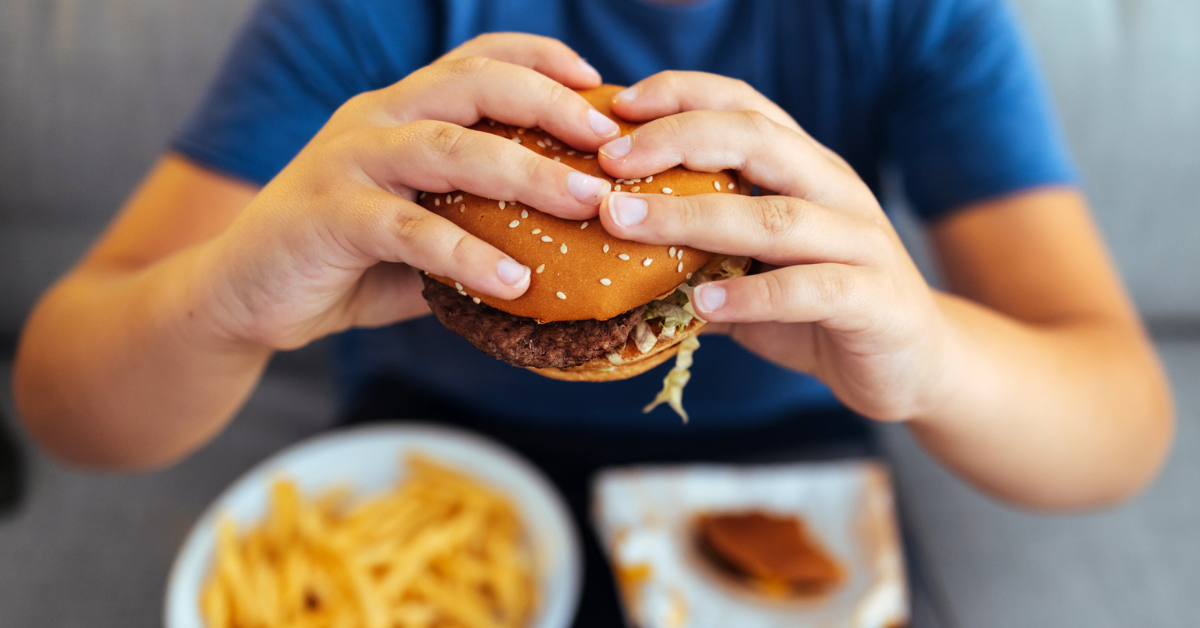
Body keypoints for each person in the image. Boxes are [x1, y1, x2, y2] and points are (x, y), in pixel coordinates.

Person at [12, 0, 1172, 512]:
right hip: (429, 457)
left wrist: (935, 358)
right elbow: (64, 402)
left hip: (788, 465)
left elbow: (1123, 430)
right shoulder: (367, 15)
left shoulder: (912, 16)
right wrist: (226, 301)